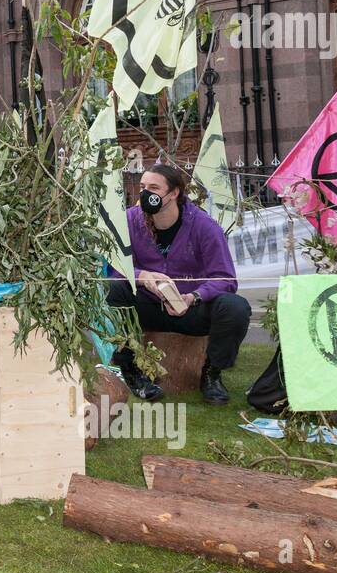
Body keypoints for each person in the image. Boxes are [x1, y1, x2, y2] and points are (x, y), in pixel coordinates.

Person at [107, 163, 251, 405]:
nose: (145, 194)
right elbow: (112, 268)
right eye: (142, 187)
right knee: (114, 289)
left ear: (174, 193)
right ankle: (131, 370)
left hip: (191, 310)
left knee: (235, 307)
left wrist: (194, 296)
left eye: (153, 188)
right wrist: (142, 276)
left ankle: (212, 373)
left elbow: (225, 278)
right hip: (148, 306)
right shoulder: (130, 221)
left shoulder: (204, 226)